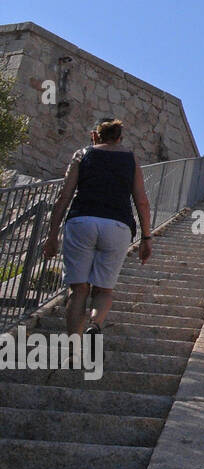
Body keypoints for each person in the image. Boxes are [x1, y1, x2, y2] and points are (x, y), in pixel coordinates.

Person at [41, 118, 153, 336]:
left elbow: (64, 196)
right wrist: (146, 238)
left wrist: (52, 235)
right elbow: (142, 202)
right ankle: (95, 324)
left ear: (95, 136)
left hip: (82, 221)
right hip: (118, 225)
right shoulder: (131, 160)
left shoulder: (82, 154)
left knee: (78, 290)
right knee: (103, 290)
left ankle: (73, 348)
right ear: (120, 138)